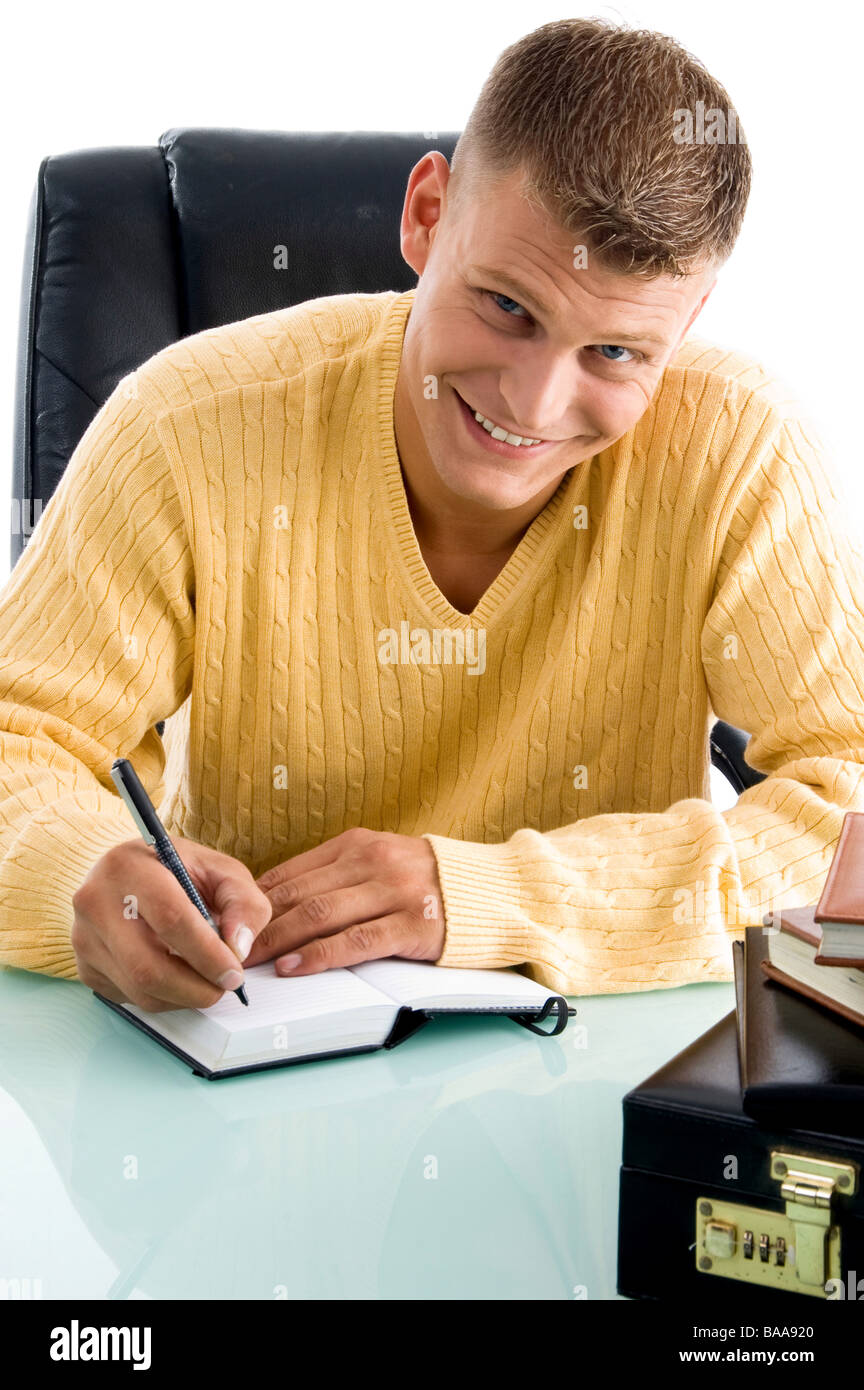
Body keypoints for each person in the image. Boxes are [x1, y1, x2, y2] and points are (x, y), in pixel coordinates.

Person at [1, 18, 862, 1012]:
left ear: (689, 323)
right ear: (426, 214)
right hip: (257, 1058)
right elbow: (24, 742)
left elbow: (852, 817)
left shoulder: (745, 449)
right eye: (507, 307)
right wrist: (85, 866)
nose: (534, 406)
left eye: (616, 353)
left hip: (596, 1073)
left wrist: (491, 896)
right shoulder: (185, 424)